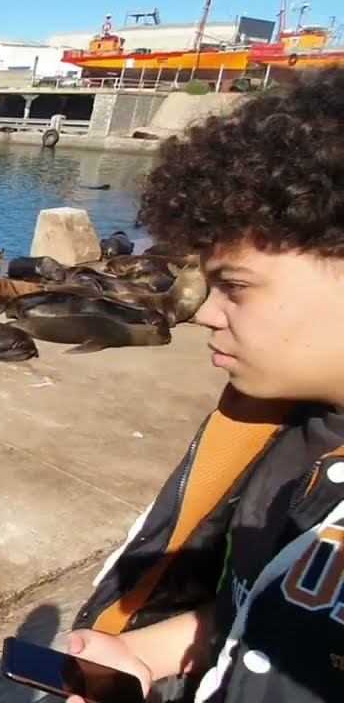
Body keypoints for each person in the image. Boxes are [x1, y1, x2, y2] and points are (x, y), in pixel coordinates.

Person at [59, 66, 344, 703]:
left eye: (235, 287)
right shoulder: (293, 431)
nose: (204, 313)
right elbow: (264, 613)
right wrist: (139, 653)